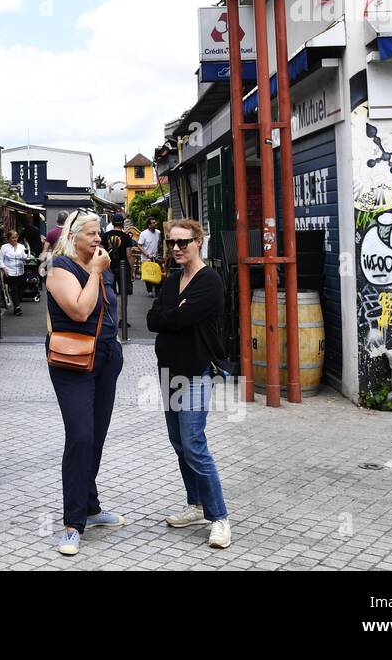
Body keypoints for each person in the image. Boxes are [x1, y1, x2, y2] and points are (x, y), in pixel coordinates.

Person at [147, 219, 231, 550]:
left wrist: (172, 315)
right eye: (171, 243)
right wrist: (172, 314)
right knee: (179, 443)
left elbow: (179, 319)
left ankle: (220, 517)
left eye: (183, 242)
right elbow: (154, 319)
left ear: (198, 242)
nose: (176, 248)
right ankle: (195, 505)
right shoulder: (171, 282)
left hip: (195, 372)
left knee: (194, 443)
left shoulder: (209, 281)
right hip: (168, 370)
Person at [46, 210, 124, 556]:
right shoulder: (62, 268)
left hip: (106, 358)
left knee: (95, 438)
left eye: (99, 234)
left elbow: (109, 310)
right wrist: (94, 272)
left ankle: (90, 508)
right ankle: (72, 524)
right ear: (72, 236)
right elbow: (79, 310)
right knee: (79, 437)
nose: (98, 240)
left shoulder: (101, 266)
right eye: (91, 234)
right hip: (73, 363)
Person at [0, 230, 29, 316]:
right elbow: (0, 259)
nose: (15, 239)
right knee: (14, 289)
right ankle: (17, 307)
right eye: (12, 238)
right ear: (8, 239)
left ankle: (17, 303)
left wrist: (26, 257)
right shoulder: (4, 247)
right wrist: (4, 268)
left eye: (16, 237)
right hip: (10, 272)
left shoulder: (22, 247)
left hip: (20, 271)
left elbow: (25, 257)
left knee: (21, 289)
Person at [138, 217, 163, 296]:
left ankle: (157, 291)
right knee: (149, 275)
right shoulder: (144, 233)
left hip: (156, 257)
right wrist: (147, 254)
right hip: (147, 258)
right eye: (153, 223)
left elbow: (160, 244)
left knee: (157, 273)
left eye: (155, 222)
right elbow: (139, 245)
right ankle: (149, 291)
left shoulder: (158, 232)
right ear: (149, 225)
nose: (155, 224)